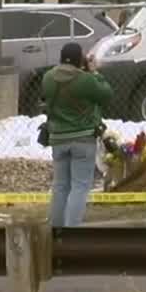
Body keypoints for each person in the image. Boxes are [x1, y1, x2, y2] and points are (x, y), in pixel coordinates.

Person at [42, 43, 113, 228]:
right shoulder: (85, 80)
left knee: (60, 186)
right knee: (80, 186)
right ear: (79, 60)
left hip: (58, 138)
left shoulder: (48, 77)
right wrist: (94, 72)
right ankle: (71, 230)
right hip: (83, 138)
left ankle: (56, 229)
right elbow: (106, 94)